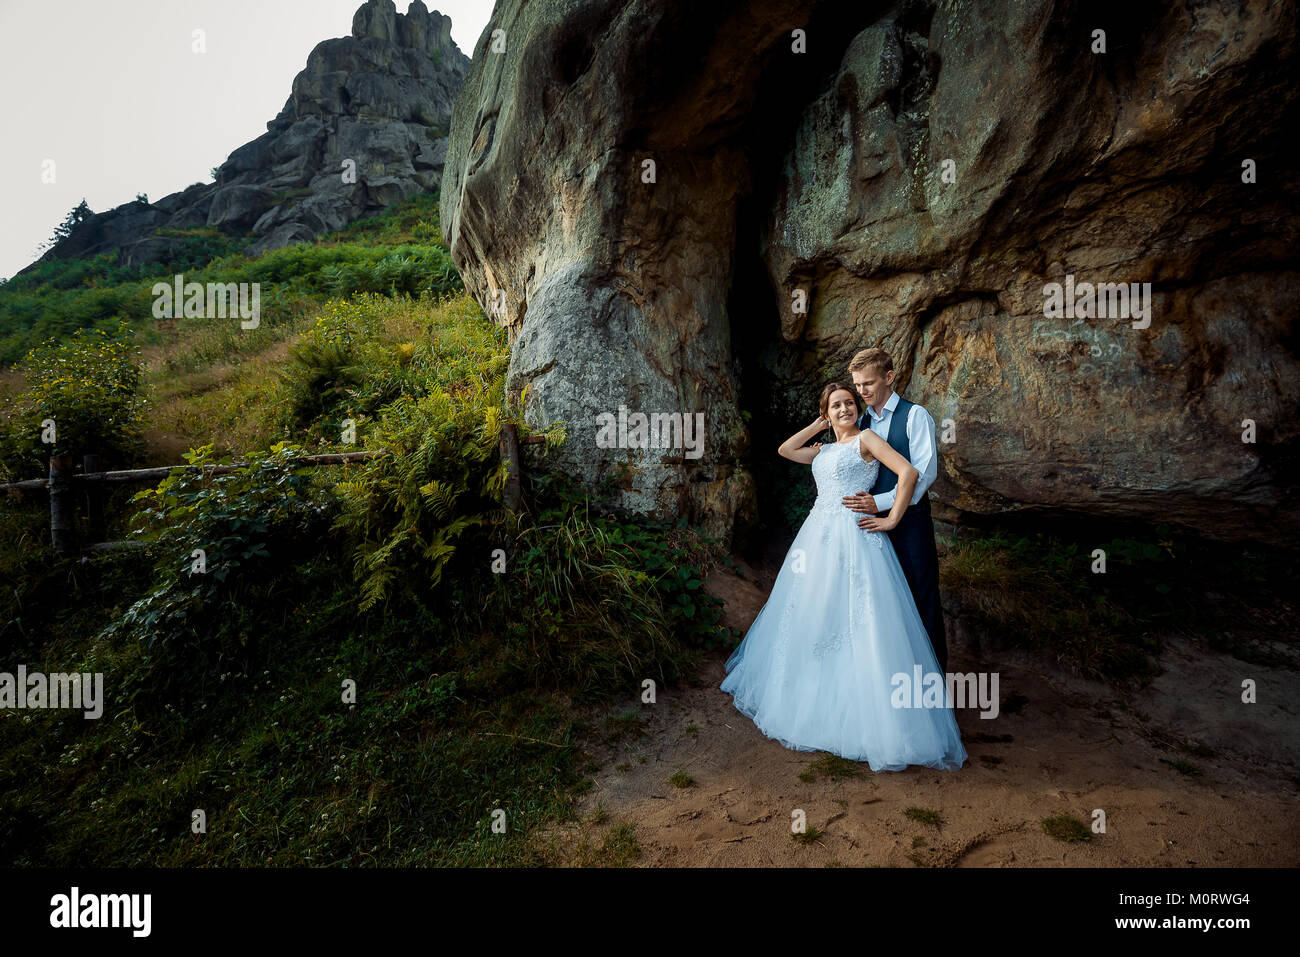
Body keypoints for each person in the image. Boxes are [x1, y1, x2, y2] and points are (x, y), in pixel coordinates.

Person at [720, 382, 966, 771]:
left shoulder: (866, 439)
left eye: (850, 402)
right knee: (815, 611)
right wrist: (820, 424)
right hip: (817, 538)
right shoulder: (824, 449)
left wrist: (891, 518)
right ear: (826, 412)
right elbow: (786, 450)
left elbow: (908, 472)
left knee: (862, 618)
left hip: (856, 536)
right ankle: (811, 698)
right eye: (836, 405)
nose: (845, 408)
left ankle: (877, 716)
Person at [841, 348, 949, 671]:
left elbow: (924, 474)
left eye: (868, 383)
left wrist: (882, 503)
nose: (861, 391)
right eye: (857, 385)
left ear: (888, 377)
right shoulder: (861, 422)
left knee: (921, 596)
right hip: (871, 527)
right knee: (883, 600)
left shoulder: (915, 416)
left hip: (911, 523)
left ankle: (932, 683)